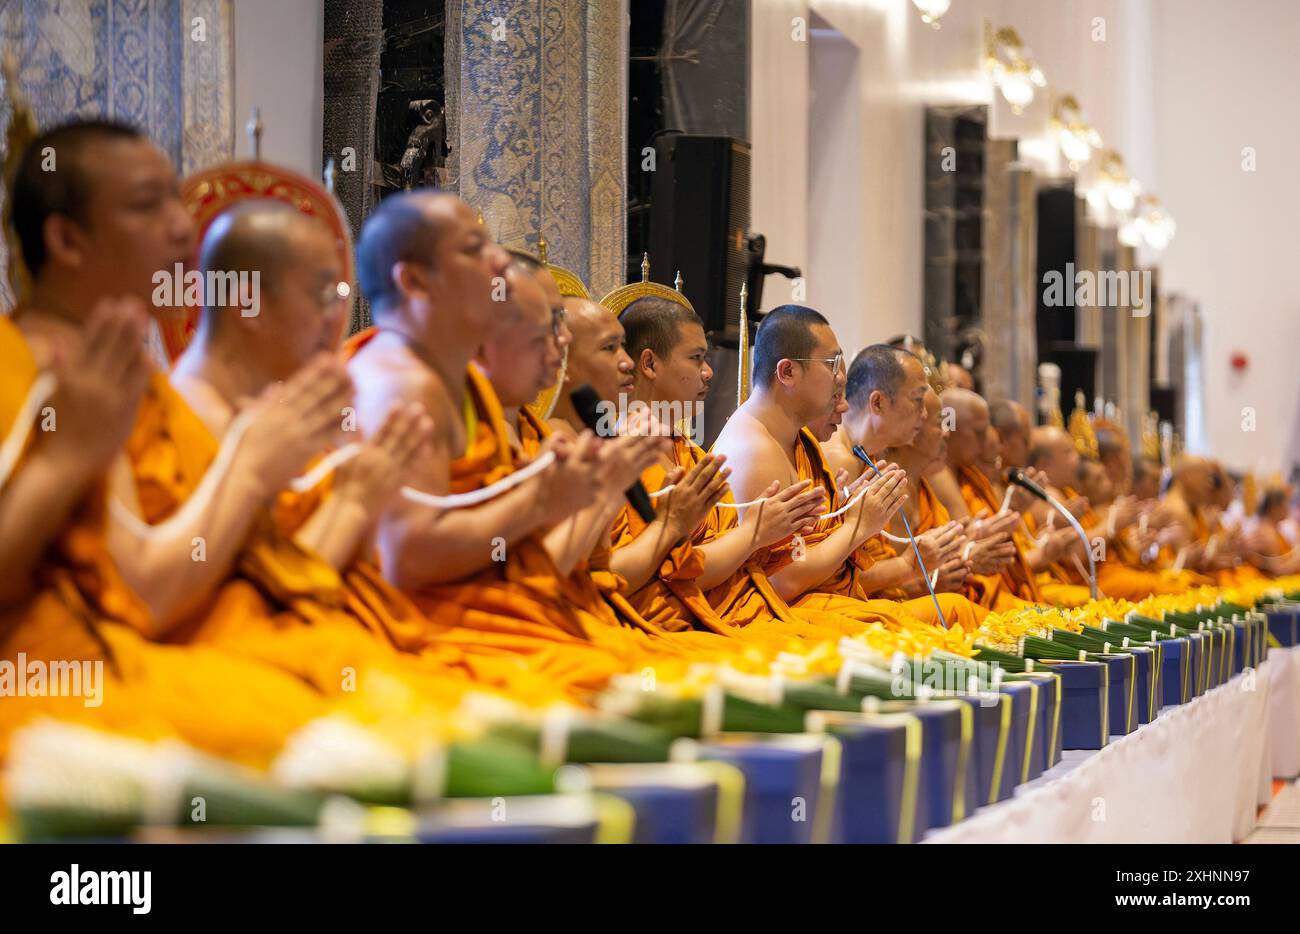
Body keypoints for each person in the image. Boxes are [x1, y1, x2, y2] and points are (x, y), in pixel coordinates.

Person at [711, 306, 983, 635]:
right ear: (788, 372)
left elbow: (803, 552)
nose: (841, 378)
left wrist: (841, 511)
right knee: (947, 616)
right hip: (773, 617)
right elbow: (783, 580)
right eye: (831, 363)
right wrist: (858, 526)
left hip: (814, 605)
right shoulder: (757, 449)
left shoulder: (795, 442)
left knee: (950, 613)